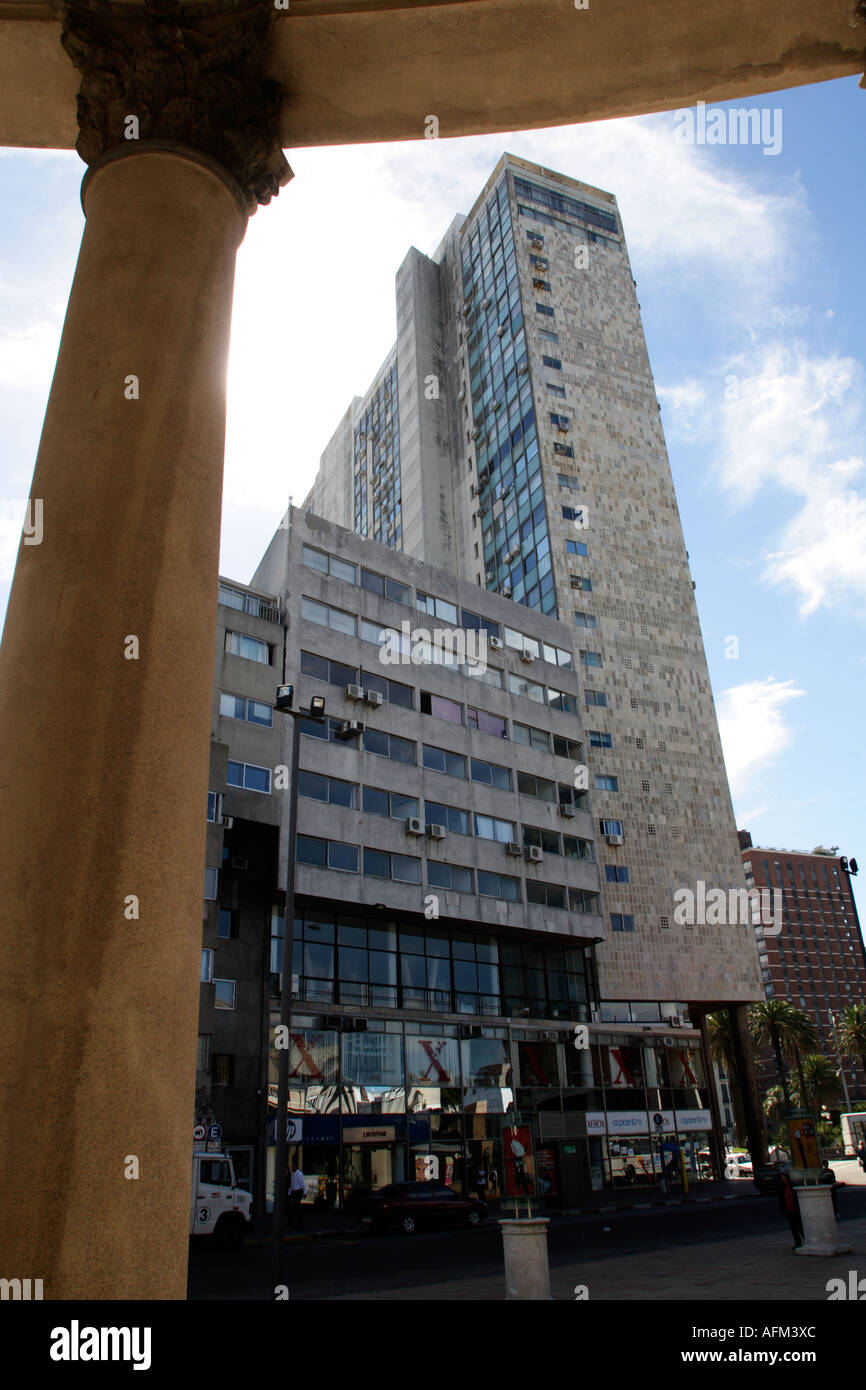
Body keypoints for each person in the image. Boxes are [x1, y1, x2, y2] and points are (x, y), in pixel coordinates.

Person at [778, 1171, 803, 1250]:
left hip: (795, 1209)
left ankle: (807, 1240)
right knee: (794, 1228)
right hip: (789, 1210)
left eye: (784, 1178)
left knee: (800, 1227)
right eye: (782, 1179)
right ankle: (798, 1243)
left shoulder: (793, 1186)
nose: (783, 1180)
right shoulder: (782, 1187)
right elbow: (781, 1199)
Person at [288, 1159, 306, 1229]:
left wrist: (304, 1192)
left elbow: (303, 1184)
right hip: (294, 1192)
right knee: (293, 1208)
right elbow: (291, 1185)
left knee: (296, 1207)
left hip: (298, 1191)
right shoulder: (293, 1175)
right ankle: (294, 1222)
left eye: (293, 1166)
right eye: (292, 1166)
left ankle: (299, 1223)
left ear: (296, 1167)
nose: (292, 1167)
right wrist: (289, 1193)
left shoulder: (299, 1174)